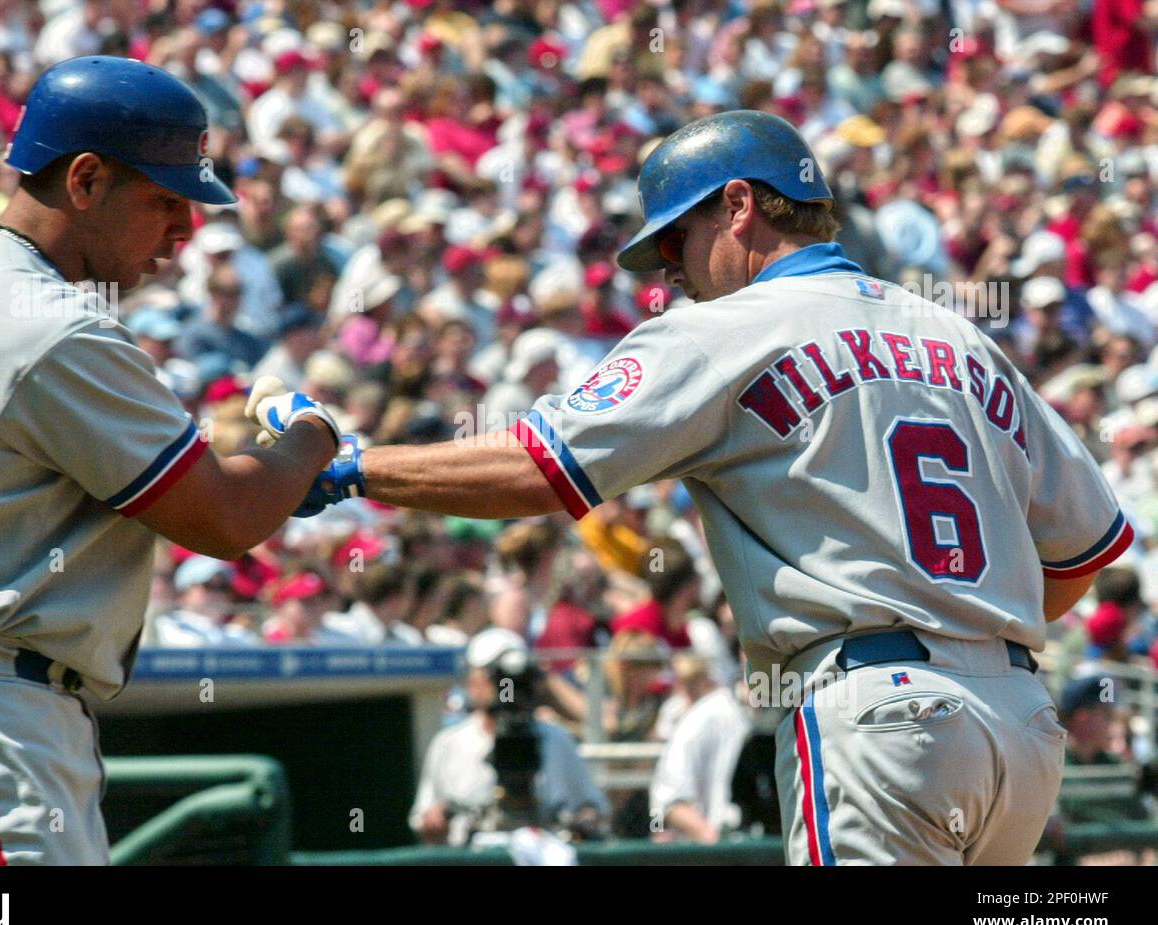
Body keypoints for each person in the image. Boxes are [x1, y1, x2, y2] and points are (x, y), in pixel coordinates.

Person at [256, 110, 1133, 865]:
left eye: (674, 238)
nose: (665, 270)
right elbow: (1084, 551)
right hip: (1022, 725)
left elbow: (537, 467)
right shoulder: (957, 337)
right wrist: (965, 627)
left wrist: (353, 466)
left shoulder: (722, 331)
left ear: (741, 205)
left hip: (880, 712)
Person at [0, 57, 342, 865]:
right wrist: (310, 438)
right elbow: (222, 517)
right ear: (84, 180)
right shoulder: (49, 327)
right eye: (165, 200)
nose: (186, 230)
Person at [409, 628, 609, 846]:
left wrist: (582, 821)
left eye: (516, 679)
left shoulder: (556, 739)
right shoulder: (449, 744)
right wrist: (437, 819)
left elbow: (593, 808)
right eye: (498, 677)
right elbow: (424, 821)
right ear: (473, 680)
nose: (508, 688)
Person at [649, 678, 753, 844]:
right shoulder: (708, 715)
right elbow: (667, 803)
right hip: (726, 848)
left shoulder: (802, 707)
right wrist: (713, 841)